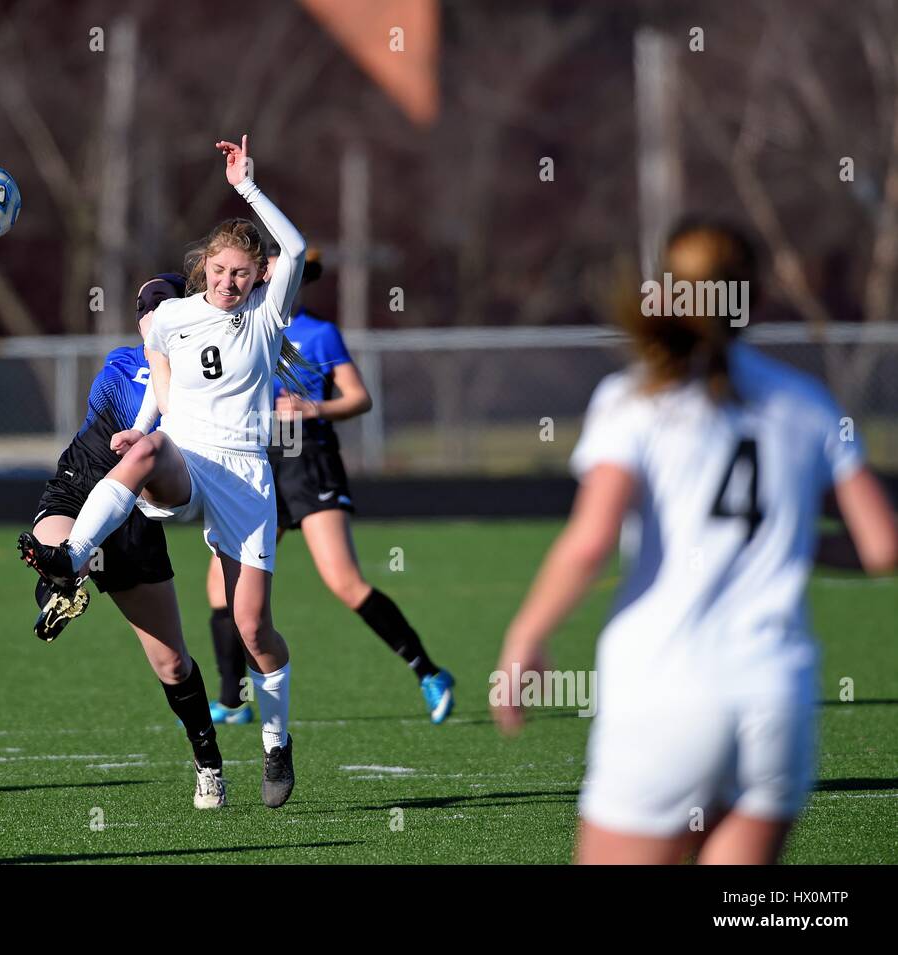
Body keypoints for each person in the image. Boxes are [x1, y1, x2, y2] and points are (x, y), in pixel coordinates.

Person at [492, 218, 898, 864]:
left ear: (667, 294)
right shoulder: (809, 402)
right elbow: (883, 546)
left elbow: (591, 539)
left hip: (663, 692)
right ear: (755, 298)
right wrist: (787, 544)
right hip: (776, 698)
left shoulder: (635, 400)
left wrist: (525, 636)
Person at [26, 135, 309, 809]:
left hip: (243, 478)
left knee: (253, 628)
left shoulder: (266, 320)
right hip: (186, 460)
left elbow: (296, 250)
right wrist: (142, 422)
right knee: (143, 454)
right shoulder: (172, 318)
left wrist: (247, 187)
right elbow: (163, 381)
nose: (229, 281)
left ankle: (277, 743)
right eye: (220, 269)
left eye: (242, 272)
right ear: (204, 267)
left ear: (257, 276)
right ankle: (70, 559)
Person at [203, 246, 455, 725]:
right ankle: (233, 701)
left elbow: (359, 398)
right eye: (265, 276)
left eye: (281, 276)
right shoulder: (240, 322)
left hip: (309, 459)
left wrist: (312, 409)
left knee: (344, 581)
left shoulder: (319, 333)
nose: (268, 284)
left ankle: (429, 671)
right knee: (221, 584)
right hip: (257, 460)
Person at [17, 272, 228, 810]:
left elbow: (174, 440)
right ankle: (62, 586)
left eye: (168, 305)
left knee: (173, 665)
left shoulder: (205, 376)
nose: (156, 315)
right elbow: (112, 423)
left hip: (133, 515)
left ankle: (209, 764)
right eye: (148, 309)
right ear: (141, 321)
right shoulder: (118, 363)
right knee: (55, 548)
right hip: (82, 480)